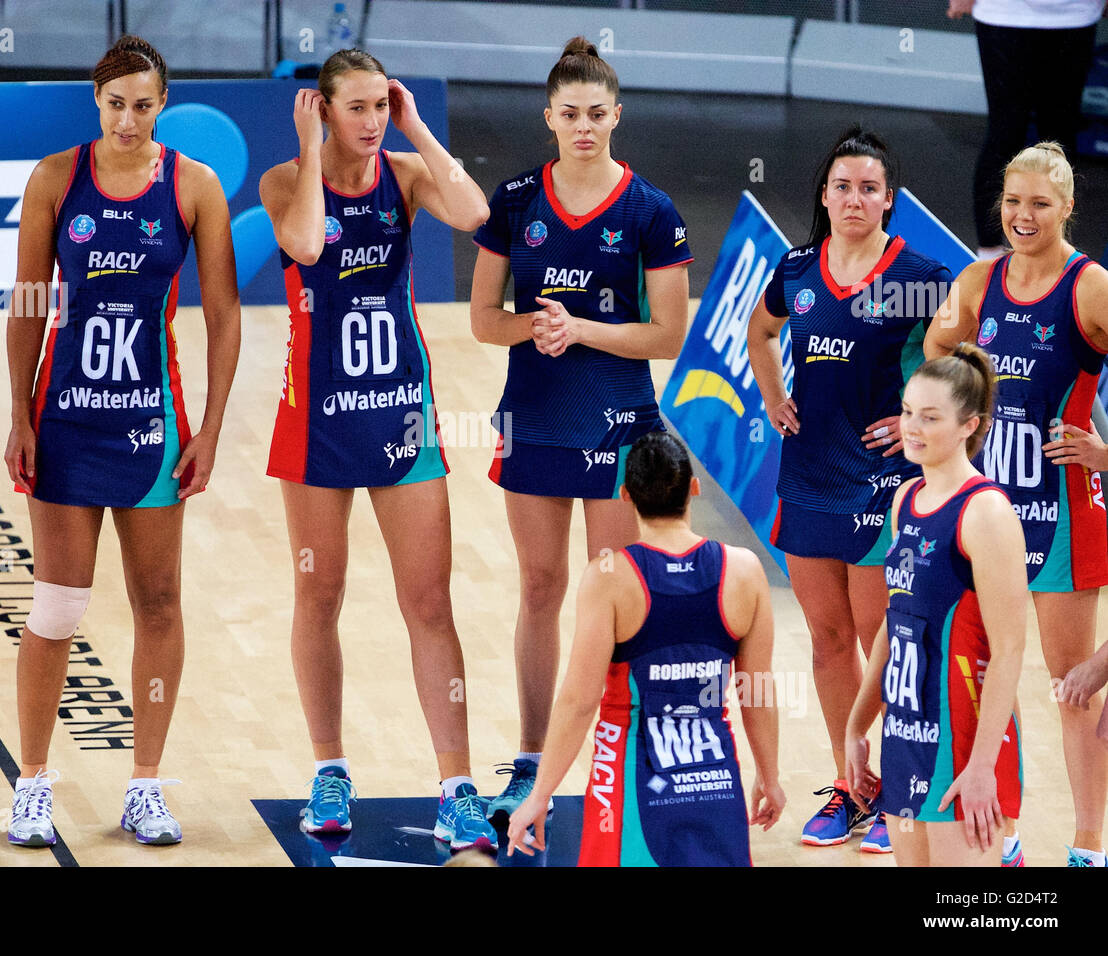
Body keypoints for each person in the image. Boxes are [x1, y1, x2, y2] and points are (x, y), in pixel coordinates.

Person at [3, 35, 241, 847]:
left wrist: (210, 424)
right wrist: (18, 416)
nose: (129, 119)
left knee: (159, 603)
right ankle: (31, 784)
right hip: (66, 418)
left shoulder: (194, 186)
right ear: (94, 103)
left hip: (152, 424)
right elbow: (28, 303)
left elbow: (223, 313)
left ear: (163, 104)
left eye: (143, 104)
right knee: (58, 605)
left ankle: (147, 786)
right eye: (115, 104)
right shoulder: (55, 178)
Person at [259, 49, 497, 850]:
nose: (370, 123)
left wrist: (418, 126)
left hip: (401, 415)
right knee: (317, 598)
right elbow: (306, 248)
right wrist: (306, 157)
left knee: (430, 603)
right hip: (316, 419)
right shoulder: (283, 181)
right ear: (322, 109)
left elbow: (473, 214)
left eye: (378, 107)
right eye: (354, 108)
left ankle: (457, 786)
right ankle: (329, 769)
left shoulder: (404, 171)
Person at [469, 36, 691, 824]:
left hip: (620, 425)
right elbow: (483, 322)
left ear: (617, 116)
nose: (585, 127)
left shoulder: (650, 211)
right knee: (539, 588)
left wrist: (584, 330)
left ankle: (616, 759)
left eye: (598, 114)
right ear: (549, 118)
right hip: (534, 421)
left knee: (614, 590)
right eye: (571, 115)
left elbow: (668, 335)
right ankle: (531, 763)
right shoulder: (516, 199)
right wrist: (536, 324)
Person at [746, 127, 953, 852]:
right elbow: (759, 331)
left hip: (883, 489)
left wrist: (919, 421)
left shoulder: (920, 275)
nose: (855, 198)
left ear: (889, 200)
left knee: (882, 640)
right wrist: (773, 397)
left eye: (869, 187)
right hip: (807, 477)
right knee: (830, 642)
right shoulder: (798, 269)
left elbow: (966, 367)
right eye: (843, 186)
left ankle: (901, 788)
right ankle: (850, 784)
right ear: (825, 196)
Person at [925, 141, 1108, 866]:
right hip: (989, 515)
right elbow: (937, 363)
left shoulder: (1091, 288)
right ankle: (1000, 837)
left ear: (1067, 207)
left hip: (1063, 515)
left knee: (1071, 691)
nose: (1023, 216)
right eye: (1012, 202)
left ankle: (1089, 846)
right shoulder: (977, 281)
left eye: (1039, 203)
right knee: (982, 672)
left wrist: (1104, 451)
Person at [506, 431, 784, 866]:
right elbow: (758, 692)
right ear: (694, 487)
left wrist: (539, 795)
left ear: (625, 495)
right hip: (714, 779)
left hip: (633, 784)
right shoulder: (744, 570)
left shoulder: (610, 577)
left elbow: (579, 701)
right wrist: (770, 777)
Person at [845, 345, 1025, 865]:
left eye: (929, 417)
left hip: (964, 739)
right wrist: (858, 727)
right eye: (906, 412)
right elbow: (892, 624)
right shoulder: (906, 499)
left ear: (970, 424)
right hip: (906, 733)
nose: (911, 427)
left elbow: (1011, 648)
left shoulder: (986, 511)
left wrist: (982, 765)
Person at [946, 0, 1105, 259]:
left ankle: (1050, 253)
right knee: (1005, 134)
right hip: (1006, 12)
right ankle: (988, 257)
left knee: (1059, 140)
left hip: (1074, 12)